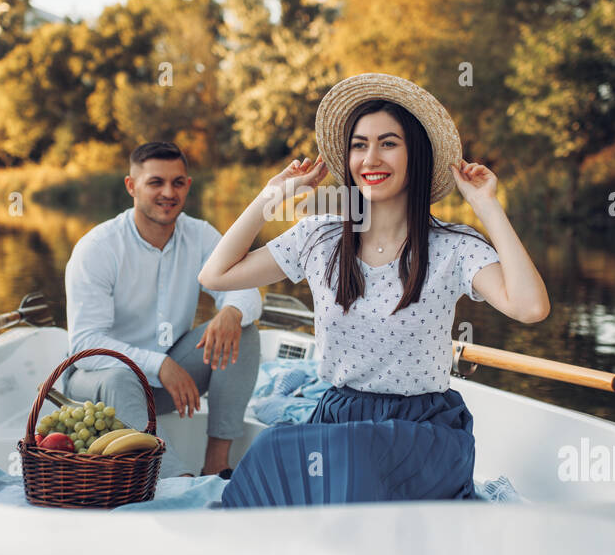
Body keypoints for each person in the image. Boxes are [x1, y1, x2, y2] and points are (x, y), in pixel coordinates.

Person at [198, 73, 550, 506]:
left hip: (424, 431)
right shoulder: (319, 237)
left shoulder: (454, 247)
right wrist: (270, 198)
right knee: (272, 458)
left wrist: (487, 206)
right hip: (340, 419)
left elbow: (530, 307)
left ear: (415, 155)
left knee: (328, 473)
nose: (370, 158)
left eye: (388, 143)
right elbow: (215, 276)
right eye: (359, 145)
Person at [61, 141, 262, 478]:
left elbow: (247, 290)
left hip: (168, 384)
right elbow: (85, 346)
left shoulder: (199, 235)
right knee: (120, 377)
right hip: (98, 384)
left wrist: (231, 312)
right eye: (156, 182)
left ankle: (216, 464)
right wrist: (159, 364)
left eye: (178, 182)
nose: (168, 192)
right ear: (132, 186)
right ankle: (176, 482)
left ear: (188, 186)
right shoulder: (98, 247)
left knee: (242, 329)